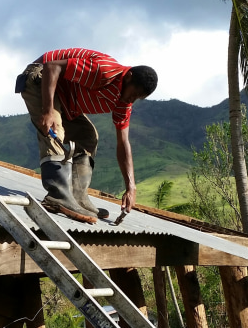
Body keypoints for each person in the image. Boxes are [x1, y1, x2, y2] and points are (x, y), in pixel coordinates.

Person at [16, 49, 157, 223]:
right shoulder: (105, 70)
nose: (132, 100)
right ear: (128, 77)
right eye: (133, 94)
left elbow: (123, 143)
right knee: (55, 128)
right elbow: (51, 67)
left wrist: (131, 187)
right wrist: (47, 111)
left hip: (64, 97)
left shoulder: (124, 103)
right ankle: (58, 195)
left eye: (138, 98)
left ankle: (77, 197)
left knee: (88, 136)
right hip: (39, 77)